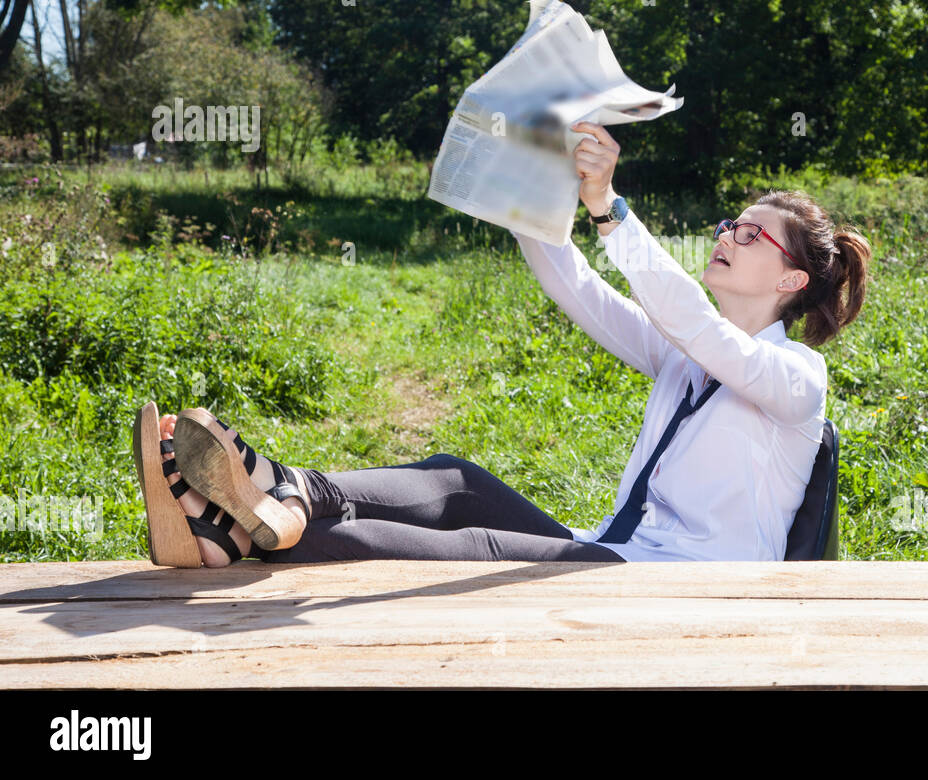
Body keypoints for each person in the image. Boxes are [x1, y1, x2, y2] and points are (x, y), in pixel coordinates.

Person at [135, 122, 872, 567]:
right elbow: (582, 290)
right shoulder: (686, 359)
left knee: (469, 551)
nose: (726, 236)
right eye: (727, 224)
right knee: (458, 481)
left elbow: (700, 328)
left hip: (681, 584)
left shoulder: (796, 379)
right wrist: (526, 195)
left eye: (751, 233)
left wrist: (610, 210)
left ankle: (234, 528)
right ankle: (271, 496)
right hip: (611, 552)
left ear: (791, 278)